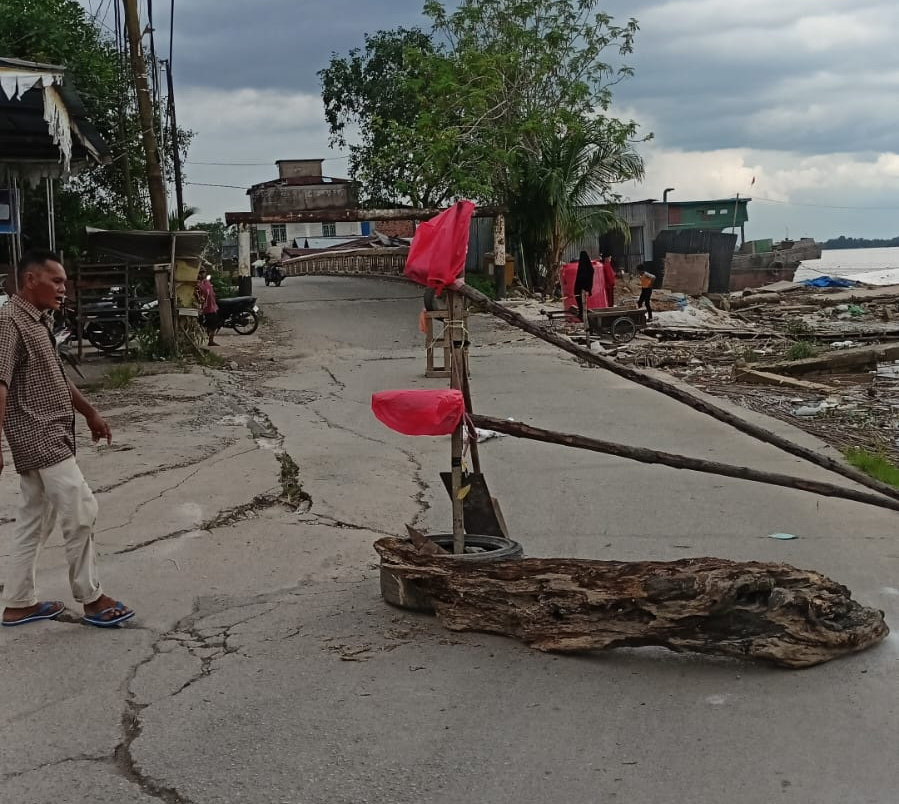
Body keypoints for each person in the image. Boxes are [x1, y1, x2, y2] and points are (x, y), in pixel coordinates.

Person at [0, 250, 134, 628]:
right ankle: (92, 598)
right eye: (56, 281)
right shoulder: (9, 321)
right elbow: (0, 382)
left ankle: (19, 603)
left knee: (35, 521)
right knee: (81, 509)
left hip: (51, 430)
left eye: (65, 282)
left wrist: (90, 412)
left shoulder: (38, 320)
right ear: (31, 280)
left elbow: (57, 376)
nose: (64, 289)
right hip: (38, 433)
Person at [196, 271, 220, 346]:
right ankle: (209, 340)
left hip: (211, 307)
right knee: (209, 324)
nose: (204, 274)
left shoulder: (206, 282)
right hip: (205, 308)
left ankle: (210, 340)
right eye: (202, 273)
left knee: (213, 324)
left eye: (204, 273)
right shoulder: (198, 284)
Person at [573, 250, 595, 323]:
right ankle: (583, 317)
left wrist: (584, 288)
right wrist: (588, 289)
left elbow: (581, 278)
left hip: (580, 289)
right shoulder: (589, 266)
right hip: (584, 289)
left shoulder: (582, 267)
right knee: (583, 305)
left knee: (581, 305)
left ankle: (583, 317)